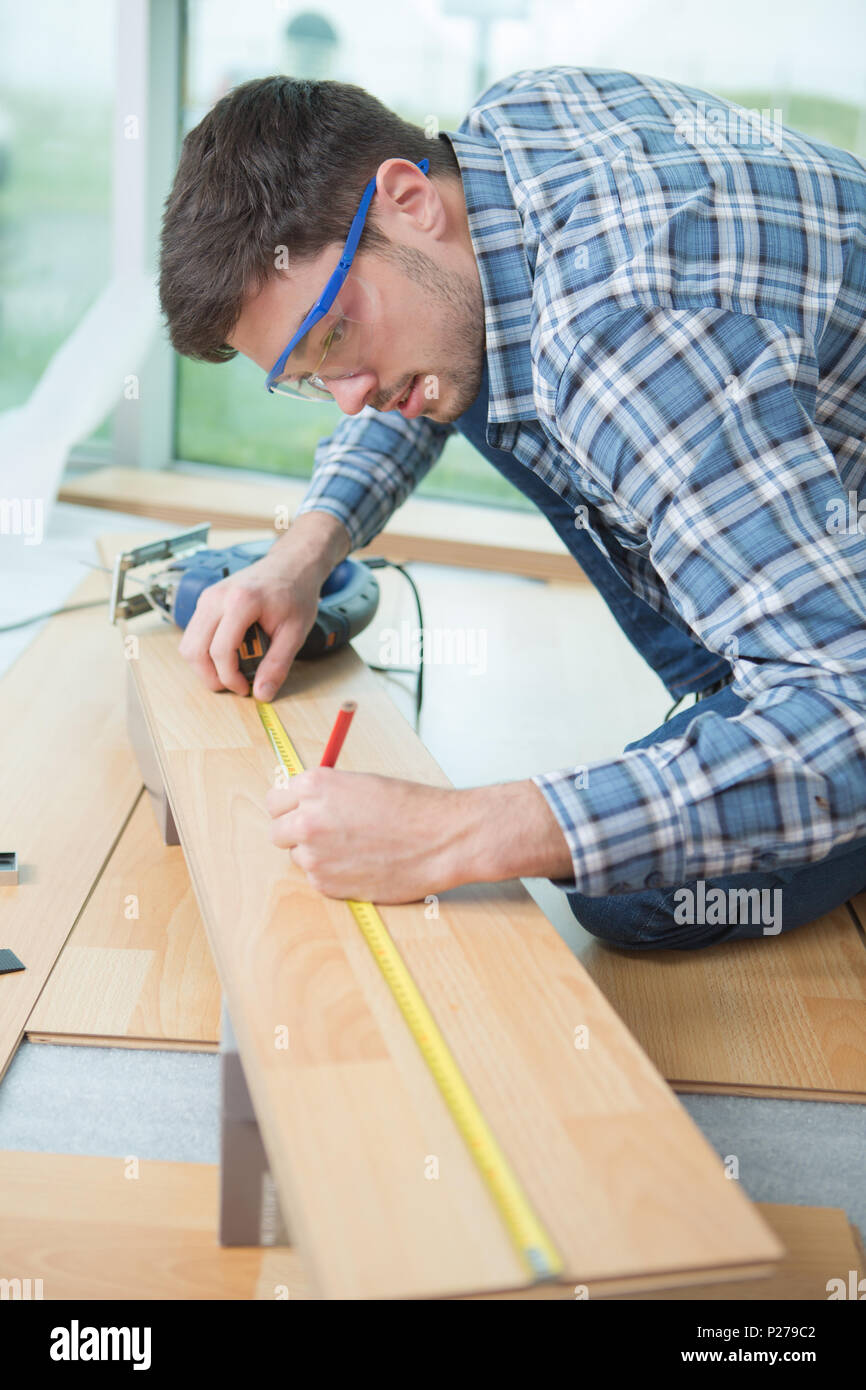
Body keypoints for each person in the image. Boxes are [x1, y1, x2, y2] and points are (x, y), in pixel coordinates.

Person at [158, 68, 866, 948]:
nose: (347, 398)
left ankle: (751, 705)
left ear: (409, 199)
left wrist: (454, 832)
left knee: (629, 894)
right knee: (462, 361)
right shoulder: (501, 141)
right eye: (309, 378)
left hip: (848, 665)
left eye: (334, 335)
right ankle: (736, 689)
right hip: (794, 486)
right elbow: (435, 348)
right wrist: (300, 556)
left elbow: (852, 709)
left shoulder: (623, 337)